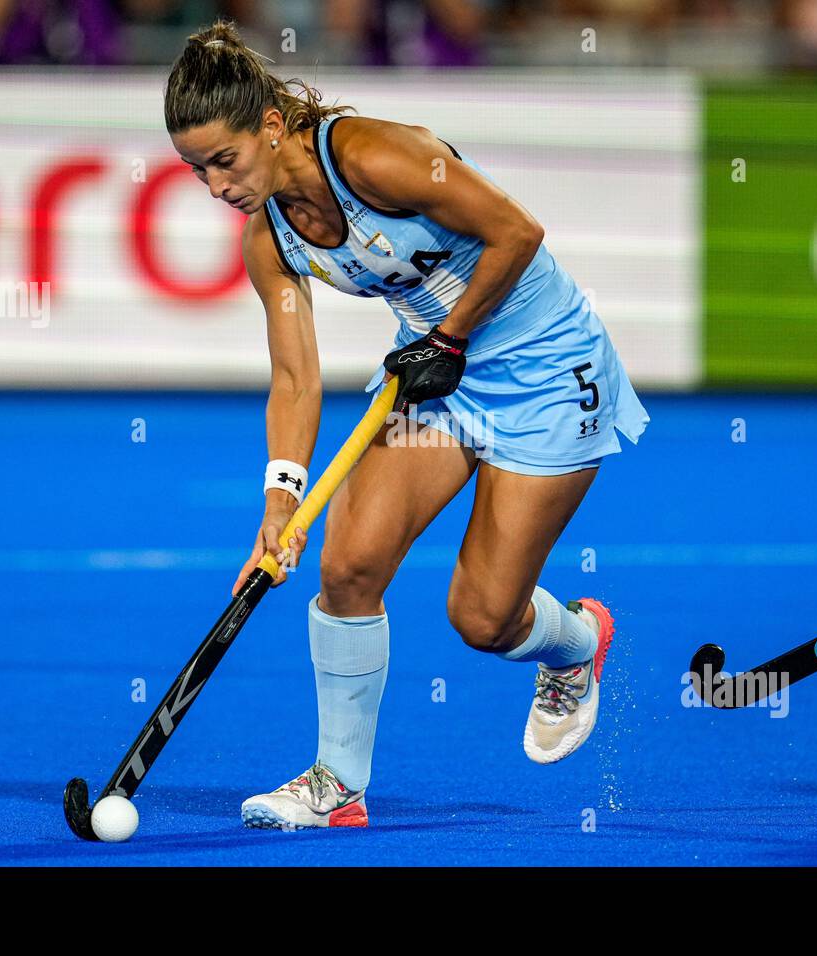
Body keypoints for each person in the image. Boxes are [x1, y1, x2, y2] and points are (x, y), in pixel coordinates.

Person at [165, 19, 649, 829]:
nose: (215, 185)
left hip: (546, 378)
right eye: (196, 169)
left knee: (483, 619)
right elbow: (294, 377)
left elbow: (517, 232)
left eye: (226, 160)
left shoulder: (372, 156)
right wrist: (279, 508)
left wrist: (450, 334)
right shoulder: (269, 240)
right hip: (439, 385)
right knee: (348, 566)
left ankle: (573, 644)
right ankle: (338, 784)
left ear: (272, 126)